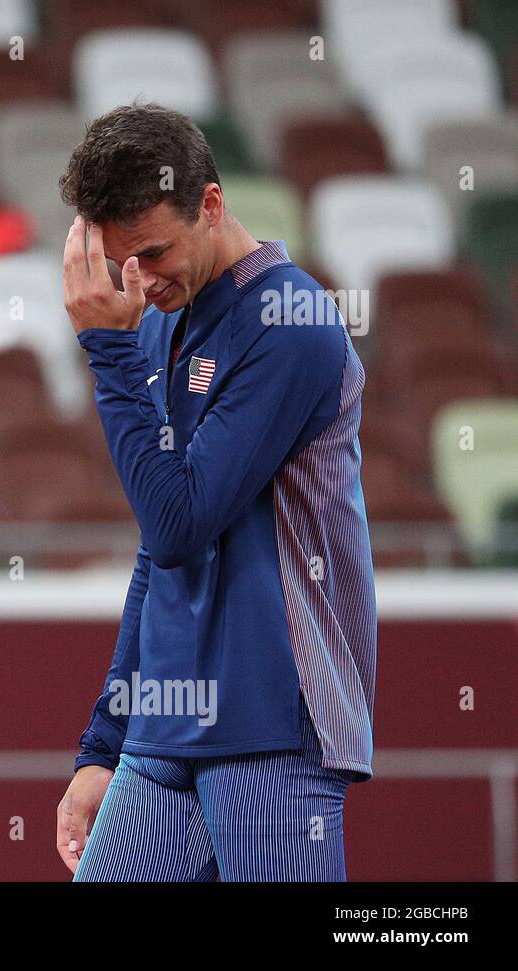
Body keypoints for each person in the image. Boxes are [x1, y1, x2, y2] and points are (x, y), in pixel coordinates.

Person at [54, 103, 376, 881]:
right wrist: (104, 744)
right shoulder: (160, 321)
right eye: (122, 264)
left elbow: (179, 524)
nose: (144, 281)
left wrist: (107, 350)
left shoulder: (292, 320)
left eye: (157, 253)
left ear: (212, 203)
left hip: (273, 722)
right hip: (165, 731)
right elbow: (155, 551)